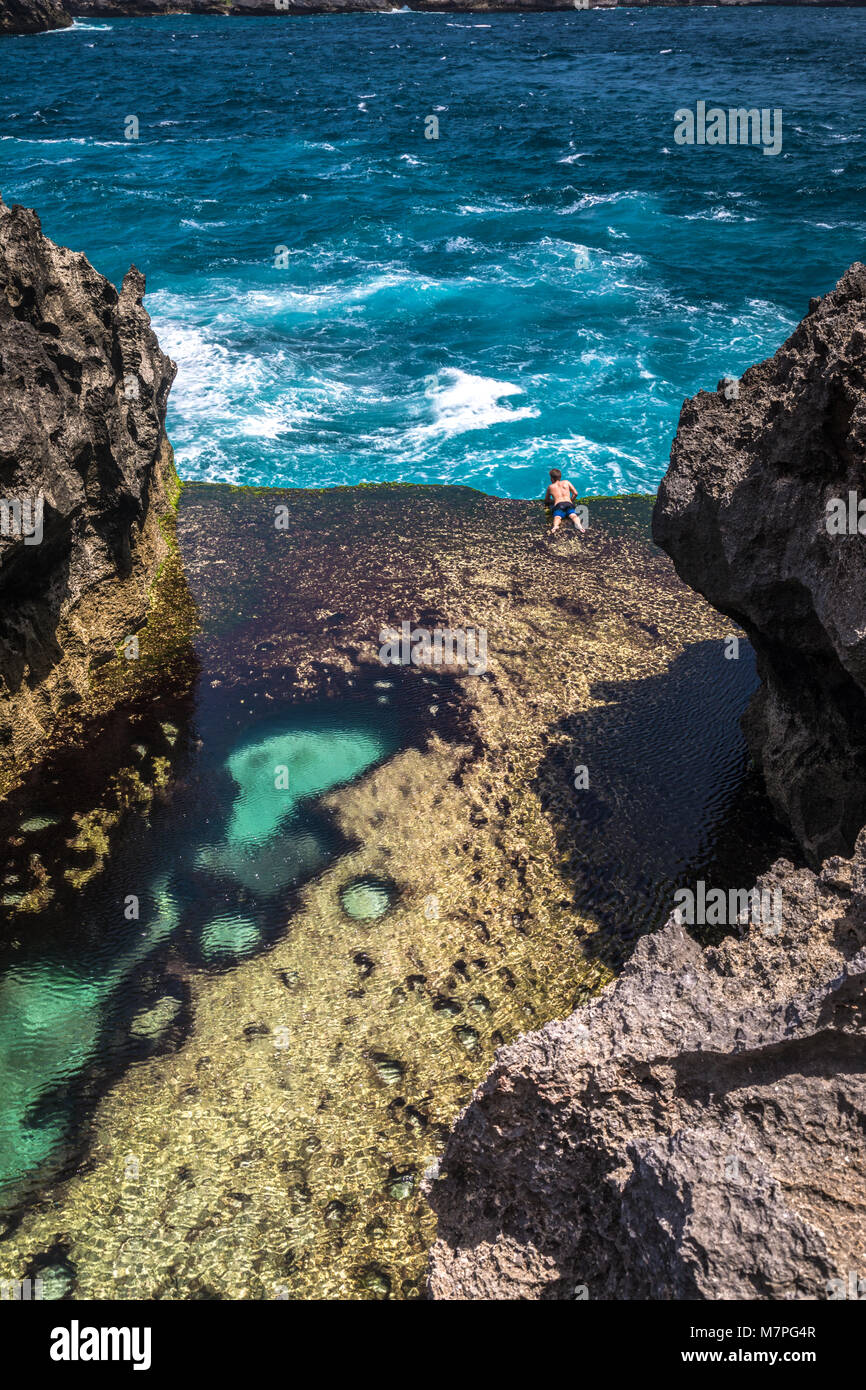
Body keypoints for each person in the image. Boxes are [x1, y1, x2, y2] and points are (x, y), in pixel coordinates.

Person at [544, 468, 585, 534]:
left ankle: (555, 526)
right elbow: (575, 493)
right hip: (569, 504)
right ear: (560, 477)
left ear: (551, 478)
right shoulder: (566, 482)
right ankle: (579, 525)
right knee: (573, 515)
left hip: (559, 505)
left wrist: (553, 501)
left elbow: (547, 500)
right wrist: (571, 500)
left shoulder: (550, 487)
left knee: (557, 517)